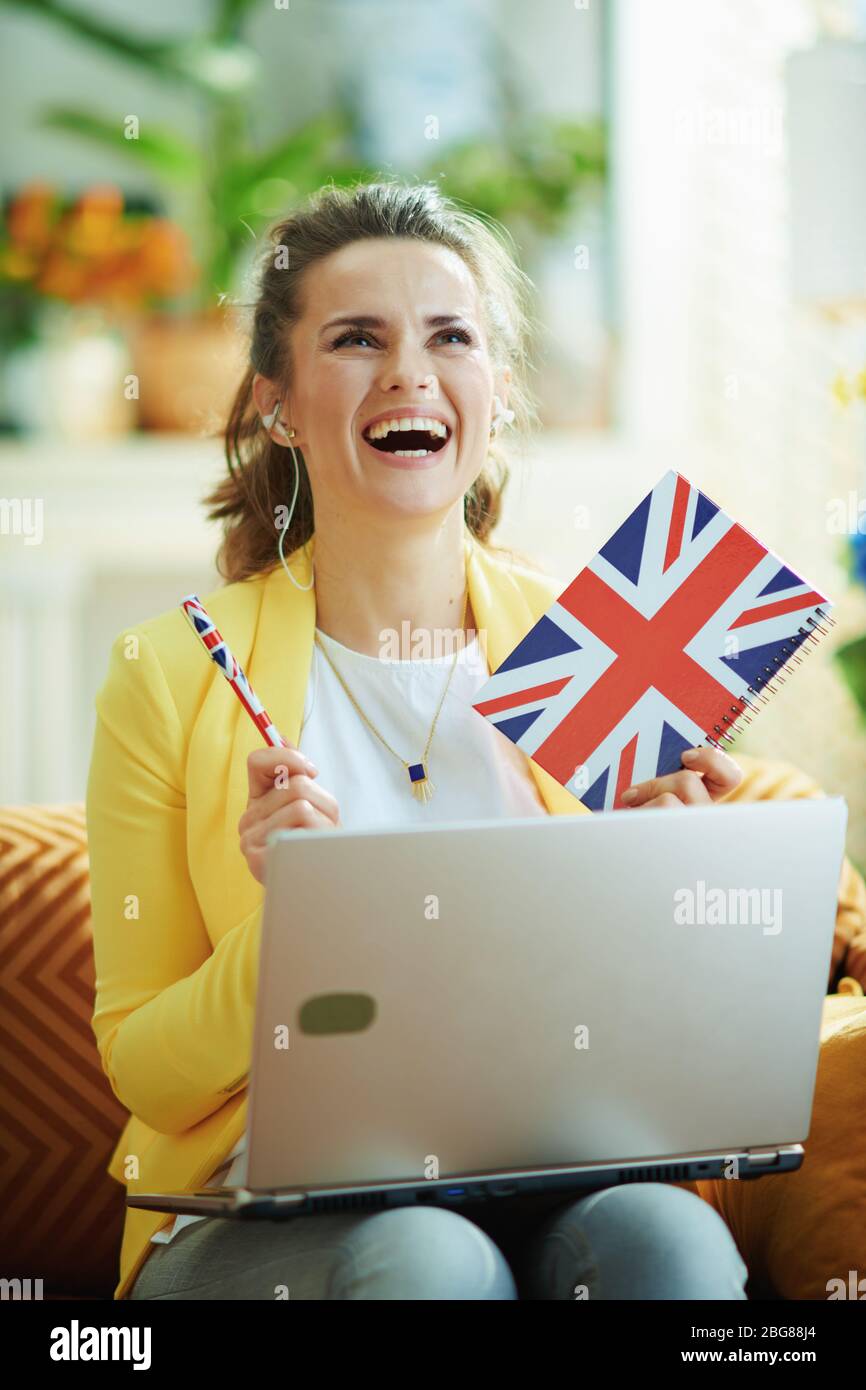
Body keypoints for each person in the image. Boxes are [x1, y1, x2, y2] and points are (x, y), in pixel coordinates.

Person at [91, 178, 785, 1300]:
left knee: (666, 1239)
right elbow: (147, 1071)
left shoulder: (587, 652)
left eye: (448, 337)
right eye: (356, 338)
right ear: (278, 401)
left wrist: (667, 885)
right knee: (426, 1256)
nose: (409, 372)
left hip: (547, 1180)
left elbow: (640, 1044)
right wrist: (295, 926)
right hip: (260, 1208)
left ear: (495, 394)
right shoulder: (172, 673)